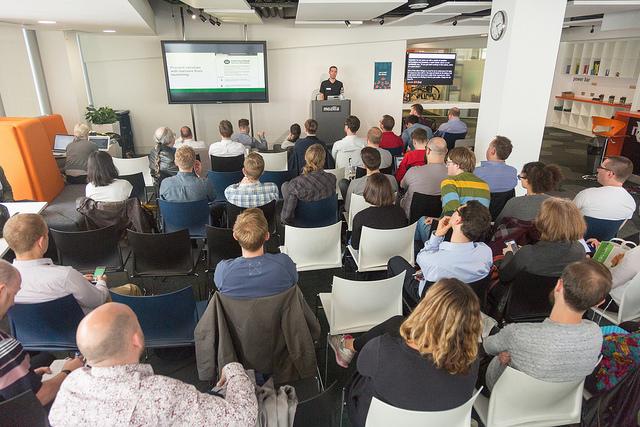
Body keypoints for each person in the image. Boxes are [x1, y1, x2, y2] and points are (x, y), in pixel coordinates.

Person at [48, 302, 258, 425]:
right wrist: (233, 369)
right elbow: (243, 418)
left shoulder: (70, 386)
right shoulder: (163, 393)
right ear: (137, 340)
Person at [342, 279, 481, 427]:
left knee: (361, 378)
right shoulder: (472, 360)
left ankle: (345, 346)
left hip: (377, 421)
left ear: (425, 309)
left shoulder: (381, 349)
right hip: (442, 422)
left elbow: (362, 365)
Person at [482, 259, 610, 391]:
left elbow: (487, 347)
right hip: (558, 402)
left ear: (559, 286)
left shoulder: (517, 333)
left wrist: (509, 353)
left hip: (502, 394)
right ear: (599, 303)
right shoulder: (596, 334)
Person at [4, 214, 137, 314]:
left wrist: (79, 281)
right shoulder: (65, 275)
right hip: (80, 326)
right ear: (41, 242)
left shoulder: (4, 283)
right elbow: (98, 300)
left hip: (33, 336)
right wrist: (101, 282)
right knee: (131, 289)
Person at [0, 260, 84, 404]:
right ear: (1, 291)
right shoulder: (6, 347)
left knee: (45, 358)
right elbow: (37, 398)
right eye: (13, 294)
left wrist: (24, 377)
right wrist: (67, 372)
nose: (13, 303)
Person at [391, 201, 493, 307]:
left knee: (394, 261)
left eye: (456, 210)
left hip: (431, 304)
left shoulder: (433, 261)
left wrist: (437, 234)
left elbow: (421, 258)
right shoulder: (486, 253)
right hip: (467, 307)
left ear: (458, 220)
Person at [498, 197, 587, 284]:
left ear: (543, 221)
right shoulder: (579, 250)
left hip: (523, 296)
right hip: (560, 297)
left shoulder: (526, 254)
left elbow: (504, 276)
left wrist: (509, 254)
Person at [215, 209, 297, 299]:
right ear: (267, 236)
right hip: (278, 312)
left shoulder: (223, 272)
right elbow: (294, 281)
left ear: (235, 236)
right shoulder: (285, 265)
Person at [281, 144, 336, 225]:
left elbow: (286, 218)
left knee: (285, 186)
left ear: (306, 159)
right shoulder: (332, 179)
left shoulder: (296, 184)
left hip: (302, 229)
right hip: (327, 225)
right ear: (324, 160)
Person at [350, 173, 407, 250]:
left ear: (368, 192)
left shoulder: (360, 217)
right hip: (394, 254)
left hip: (368, 258)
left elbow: (355, 246)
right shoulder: (401, 212)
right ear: (389, 190)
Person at [495, 161, 562, 224]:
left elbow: (498, 225)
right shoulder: (556, 204)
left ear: (527, 180)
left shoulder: (514, 203)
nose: (520, 179)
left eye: (520, 177)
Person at [573, 155, 636, 222]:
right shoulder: (631, 203)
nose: (597, 170)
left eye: (601, 167)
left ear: (610, 174)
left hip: (578, 231)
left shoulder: (587, 195)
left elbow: (568, 216)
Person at [399, 137, 448, 218]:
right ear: (446, 151)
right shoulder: (453, 176)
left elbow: (402, 186)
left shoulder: (413, 171)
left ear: (427, 151)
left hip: (410, 220)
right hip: (437, 221)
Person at [342, 147, 398, 214]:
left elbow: (348, 208)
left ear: (364, 165)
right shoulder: (392, 180)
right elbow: (396, 203)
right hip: (388, 219)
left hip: (361, 221)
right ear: (380, 162)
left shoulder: (355, 184)